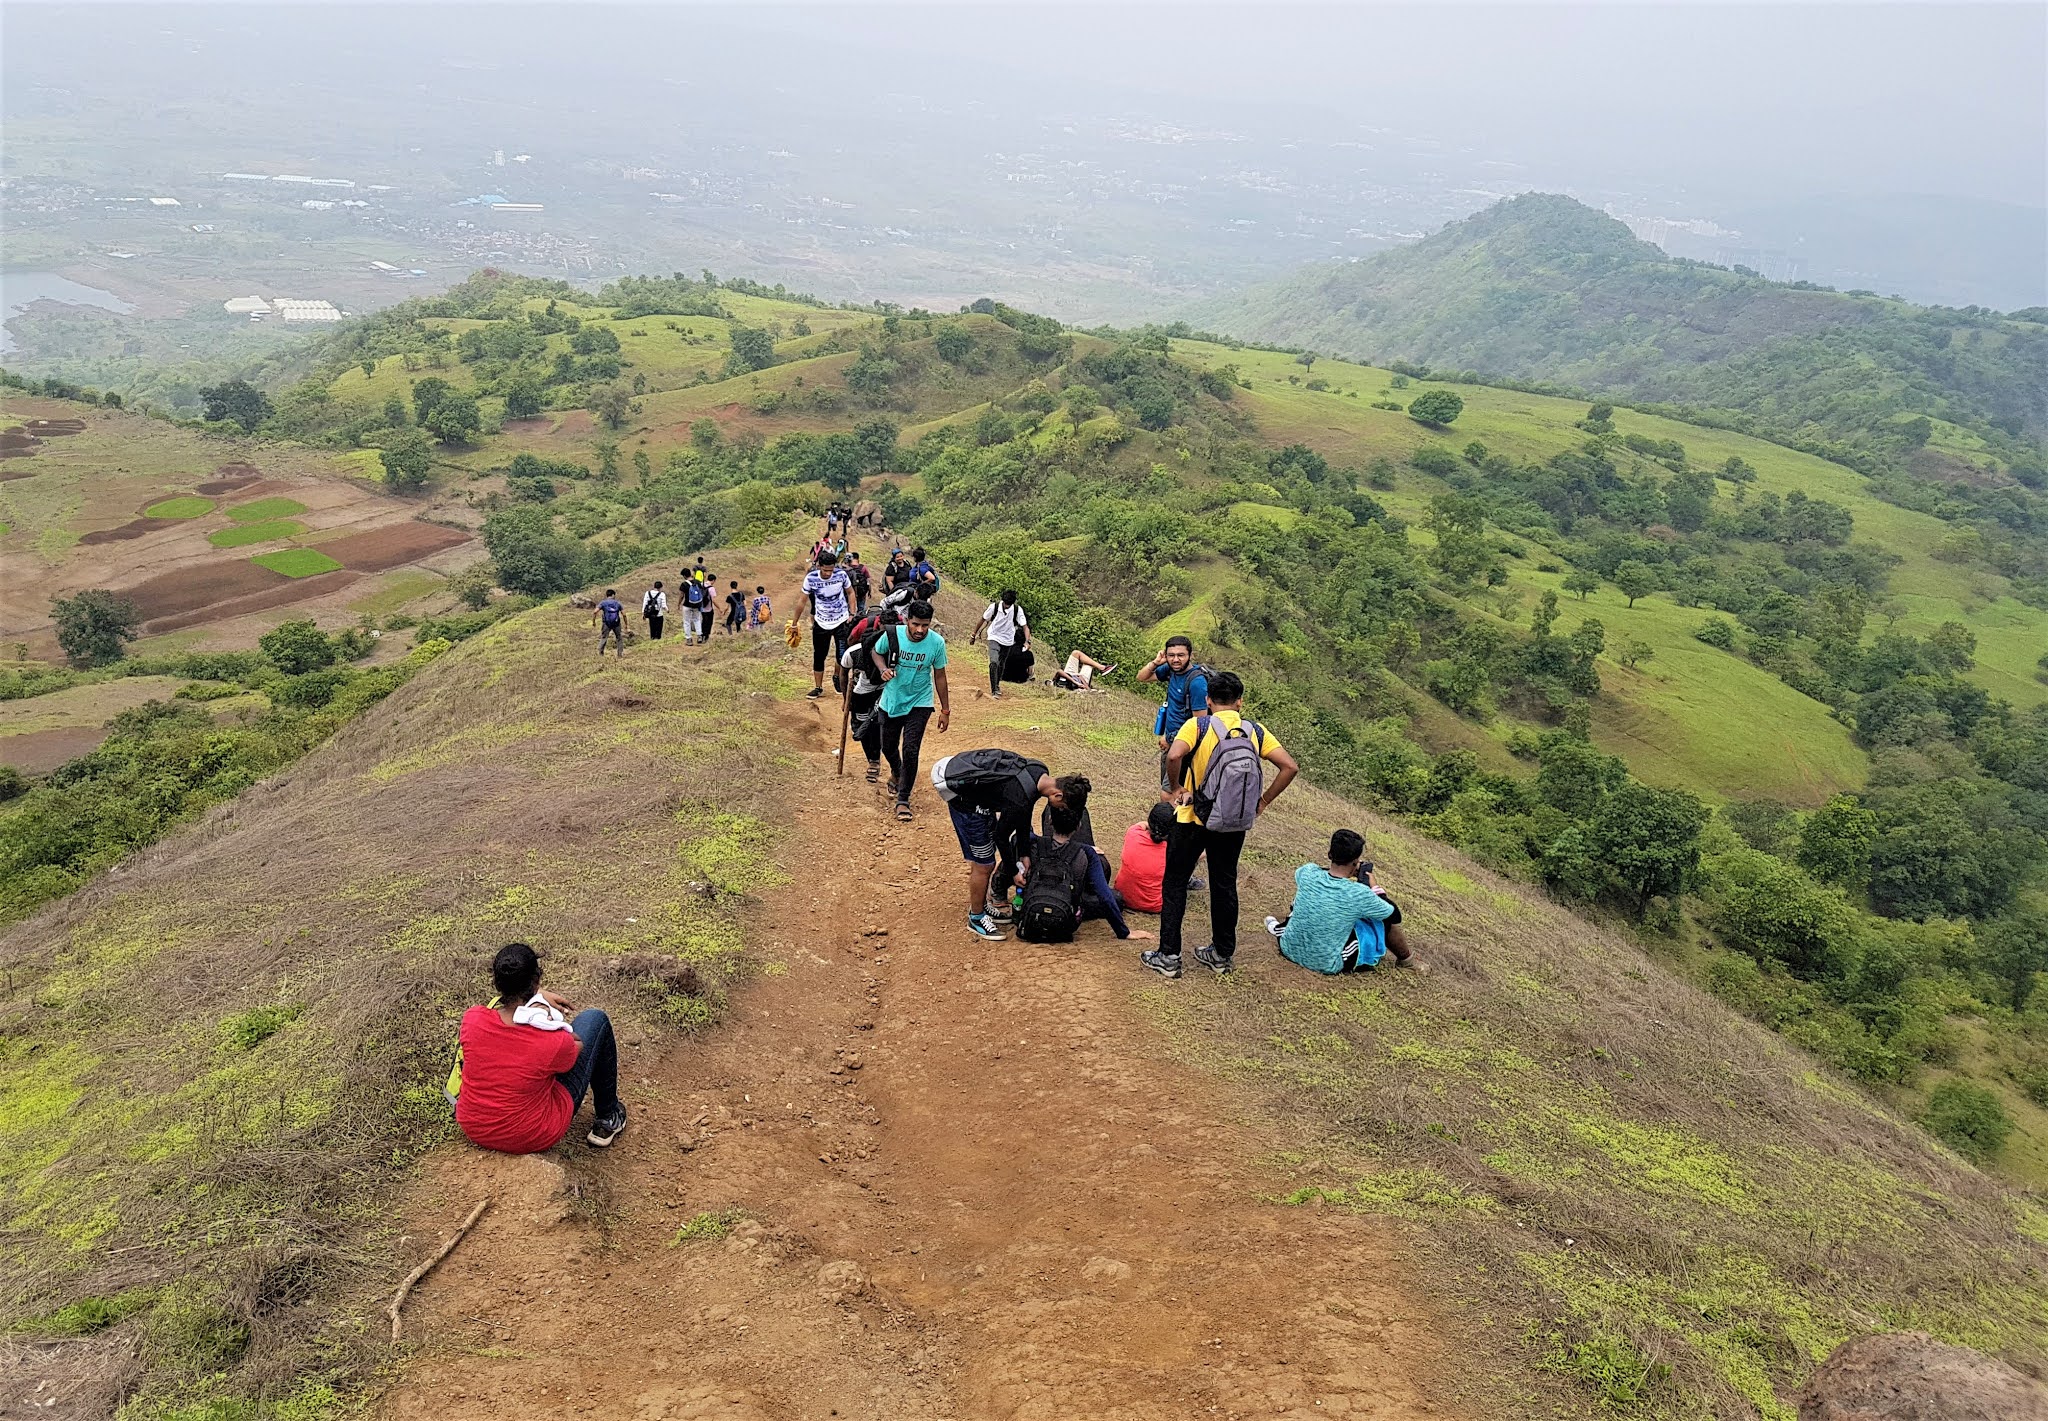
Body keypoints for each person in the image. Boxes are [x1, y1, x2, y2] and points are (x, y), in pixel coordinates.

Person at [1144, 670, 1299, 979]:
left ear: (1208, 700)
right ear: (1240, 701)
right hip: (1232, 821)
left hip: (1192, 817)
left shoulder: (1197, 725)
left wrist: (1176, 789)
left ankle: (1169, 956)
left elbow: (1174, 754)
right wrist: (1263, 801)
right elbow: (1289, 766)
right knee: (1224, 883)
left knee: (1175, 882)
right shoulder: (1254, 731)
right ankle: (1221, 954)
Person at [453, 943, 628, 1152]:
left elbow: (502, 1009)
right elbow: (576, 1044)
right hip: (531, 1135)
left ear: (497, 982)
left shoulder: (472, 1020)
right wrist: (544, 1015)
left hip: (475, 1127)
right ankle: (608, 1117)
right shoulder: (551, 1041)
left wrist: (535, 995)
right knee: (594, 1019)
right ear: (536, 980)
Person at [930, 748, 1089, 941]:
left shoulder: (1039, 770)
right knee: (985, 863)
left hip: (962, 775)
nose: (1059, 811)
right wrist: (1014, 871)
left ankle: (981, 902)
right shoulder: (1019, 798)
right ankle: (976, 917)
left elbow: (1025, 812)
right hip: (960, 796)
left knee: (987, 852)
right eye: (1063, 807)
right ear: (1058, 796)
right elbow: (1001, 836)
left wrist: (1024, 853)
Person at [1266, 829, 1422, 974]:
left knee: (1303, 904)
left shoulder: (1307, 872)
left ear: (1329, 854)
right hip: (1326, 963)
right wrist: (1374, 888)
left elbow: (1321, 872)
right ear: (1356, 862)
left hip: (1287, 948)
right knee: (1380, 920)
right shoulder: (1359, 894)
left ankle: (1281, 929)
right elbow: (1394, 915)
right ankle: (1407, 962)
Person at [1012, 802, 1151, 944]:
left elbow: (1015, 838)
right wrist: (1124, 932)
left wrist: (1016, 867)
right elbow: (1104, 895)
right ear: (1078, 826)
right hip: (1066, 915)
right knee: (1117, 898)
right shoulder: (1086, 853)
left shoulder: (1033, 841)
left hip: (1031, 908)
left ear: (1050, 821)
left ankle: (998, 893)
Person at [874, 599, 949, 819]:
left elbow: (940, 675)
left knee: (910, 749)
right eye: (916, 624)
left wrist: (945, 710)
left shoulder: (936, 643)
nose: (920, 630)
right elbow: (876, 653)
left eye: (925, 625)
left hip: (920, 701)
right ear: (907, 620)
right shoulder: (892, 635)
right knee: (887, 746)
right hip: (892, 699)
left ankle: (903, 799)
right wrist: (883, 669)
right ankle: (897, 772)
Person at [1138, 636, 1210, 798]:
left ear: (1190, 656)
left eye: (1181, 655)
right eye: (1171, 655)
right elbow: (1142, 677)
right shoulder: (1171, 670)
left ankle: (1168, 823)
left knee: (1169, 793)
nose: (1176, 659)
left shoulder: (1197, 683)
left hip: (1184, 746)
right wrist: (1156, 662)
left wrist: (1173, 740)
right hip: (1171, 740)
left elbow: (1200, 723)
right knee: (1170, 788)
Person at [799, 550, 856, 699]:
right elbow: (802, 601)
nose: (828, 573)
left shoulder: (841, 575)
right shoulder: (811, 578)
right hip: (821, 622)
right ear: (819, 566)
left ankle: (837, 677)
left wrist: (852, 613)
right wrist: (794, 623)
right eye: (825, 570)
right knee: (819, 656)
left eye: (831, 570)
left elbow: (850, 592)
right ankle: (818, 687)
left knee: (841, 654)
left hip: (841, 620)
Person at [1114, 802, 1176, 914]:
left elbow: (1141, 824)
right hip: (1155, 905)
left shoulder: (1133, 833)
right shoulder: (1173, 851)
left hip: (1122, 895)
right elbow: (1200, 854)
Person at [971, 589, 1030, 698]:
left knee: (1001, 664)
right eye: (1005, 604)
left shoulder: (1017, 610)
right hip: (994, 636)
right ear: (1002, 600)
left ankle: (997, 683)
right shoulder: (994, 607)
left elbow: (1025, 626)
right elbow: (983, 619)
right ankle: (994, 690)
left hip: (1008, 640)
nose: (1007, 607)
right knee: (994, 662)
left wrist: (1027, 641)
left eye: (1009, 605)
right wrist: (973, 634)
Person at [679, 570, 711, 645]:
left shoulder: (684, 584)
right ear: (691, 574)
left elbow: (681, 595)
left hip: (687, 605)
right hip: (697, 604)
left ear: (684, 576)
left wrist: (679, 604)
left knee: (687, 621)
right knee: (697, 620)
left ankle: (689, 639)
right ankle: (699, 636)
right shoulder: (698, 582)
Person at [593, 587, 625, 658]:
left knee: (604, 637)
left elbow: (595, 612)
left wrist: (594, 621)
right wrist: (626, 624)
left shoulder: (603, 603)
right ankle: (620, 654)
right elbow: (624, 614)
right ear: (613, 595)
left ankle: (600, 654)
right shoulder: (617, 603)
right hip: (616, 623)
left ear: (607, 595)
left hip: (606, 623)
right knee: (619, 638)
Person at [846, 552, 872, 618]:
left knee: (849, 608)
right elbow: (868, 580)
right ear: (858, 559)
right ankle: (861, 621)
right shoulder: (863, 568)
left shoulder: (848, 568)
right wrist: (869, 590)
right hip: (862, 592)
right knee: (861, 608)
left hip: (849, 592)